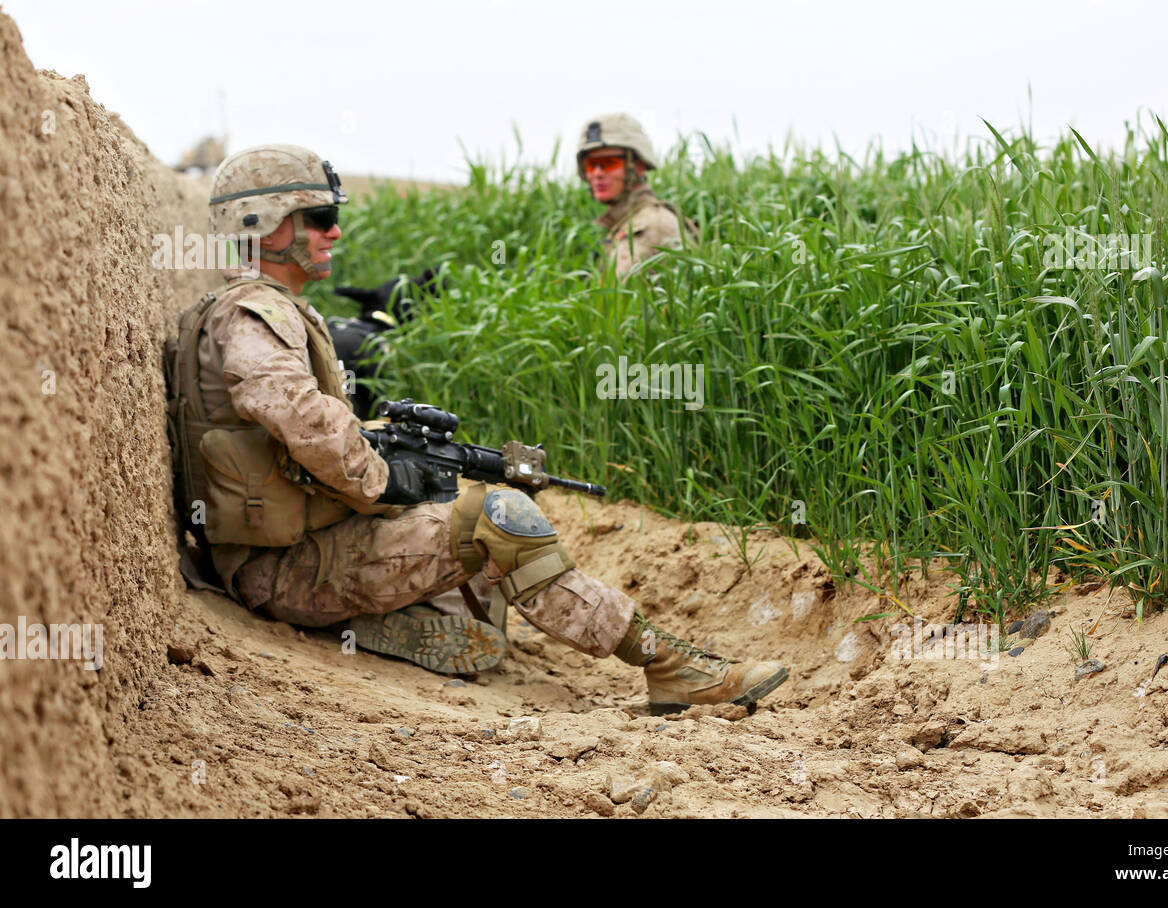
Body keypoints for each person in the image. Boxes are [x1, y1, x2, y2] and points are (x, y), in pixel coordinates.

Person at [166, 144, 787, 714]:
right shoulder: (255, 310)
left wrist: (397, 455)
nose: (334, 231)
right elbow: (293, 411)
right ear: (259, 223)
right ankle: (669, 664)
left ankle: (410, 626)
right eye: (318, 216)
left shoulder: (260, 306)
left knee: (470, 539)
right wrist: (383, 478)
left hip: (285, 553)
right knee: (499, 520)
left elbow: (291, 437)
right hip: (278, 572)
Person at [577, 113, 697, 279]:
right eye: (591, 165)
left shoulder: (646, 227)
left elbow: (618, 299)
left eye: (609, 163)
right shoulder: (630, 221)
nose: (597, 174)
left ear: (639, 165)